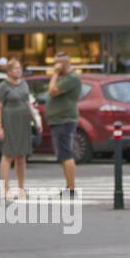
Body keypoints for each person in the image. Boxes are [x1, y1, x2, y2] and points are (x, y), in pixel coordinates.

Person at [0, 58, 37, 200]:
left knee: (21, 156)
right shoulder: (3, 86)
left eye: (20, 68)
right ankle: (6, 190)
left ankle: (21, 188)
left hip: (24, 123)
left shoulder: (24, 83)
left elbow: (28, 102)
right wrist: (0, 126)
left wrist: (36, 120)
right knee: (8, 155)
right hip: (10, 123)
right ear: (9, 71)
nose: (18, 71)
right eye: (15, 68)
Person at [46, 53, 82, 195]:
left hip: (65, 120)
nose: (55, 66)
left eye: (57, 64)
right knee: (62, 154)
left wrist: (55, 74)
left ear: (64, 64)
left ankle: (71, 188)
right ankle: (68, 186)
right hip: (58, 120)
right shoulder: (64, 77)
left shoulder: (71, 78)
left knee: (66, 153)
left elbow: (53, 91)